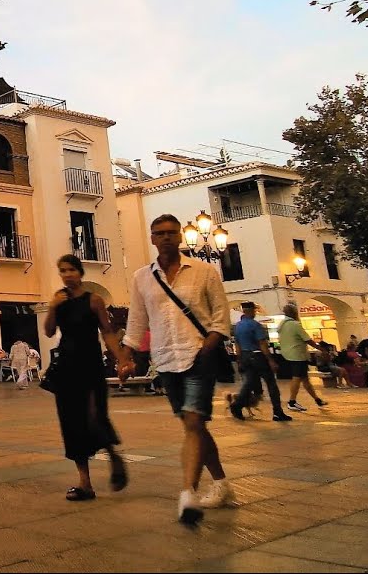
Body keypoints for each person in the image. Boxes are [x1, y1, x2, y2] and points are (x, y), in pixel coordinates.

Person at [124, 214, 234, 525]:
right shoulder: (141, 278)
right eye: (161, 233)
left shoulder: (204, 272)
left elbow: (220, 318)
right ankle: (223, 484)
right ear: (152, 238)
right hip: (166, 360)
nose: (167, 237)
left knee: (193, 422)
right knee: (194, 426)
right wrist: (126, 356)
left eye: (172, 232)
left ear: (180, 237)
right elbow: (136, 322)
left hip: (200, 356)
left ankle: (188, 493)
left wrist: (206, 348)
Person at [43, 254, 134, 502]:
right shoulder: (58, 301)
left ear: (81, 272)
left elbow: (107, 332)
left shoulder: (94, 300)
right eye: (62, 270)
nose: (67, 274)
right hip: (66, 368)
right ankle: (85, 483)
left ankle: (112, 454)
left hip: (90, 365)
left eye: (71, 269)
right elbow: (49, 331)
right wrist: (52, 306)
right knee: (71, 423)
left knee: (95, 416)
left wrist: (121, 360)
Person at [228, 302, 292, 422]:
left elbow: (237, 345)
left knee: (249, 383)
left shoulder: (238, 326)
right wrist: (270, 360)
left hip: (245, 357)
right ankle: (277, 412)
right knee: (271, 384)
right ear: (251, 311)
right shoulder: (255, 325)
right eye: (254, 311)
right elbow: (262, 344)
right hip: (258, 356)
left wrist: (239, 359)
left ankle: (237, 405)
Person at [278, 304, 327, 412]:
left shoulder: (282, 325)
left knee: (305, 379)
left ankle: (317, 399)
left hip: (287, 354)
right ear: (294, 313)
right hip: (297, 355)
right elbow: (307, 339)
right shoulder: (295, 325)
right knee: (297, 378)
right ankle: (292, 402)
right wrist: (321, 349)